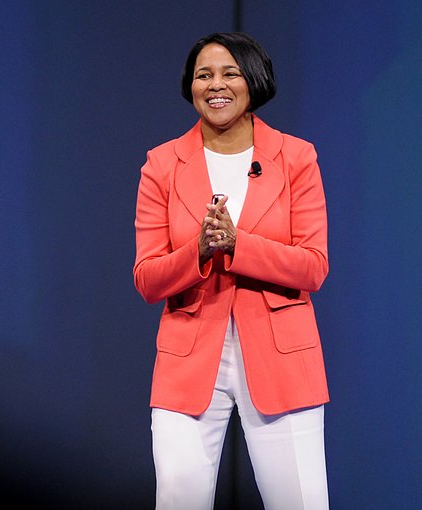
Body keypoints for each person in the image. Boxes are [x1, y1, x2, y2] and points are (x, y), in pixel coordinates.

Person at [133, 32, 330, 510]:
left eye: (229, 73)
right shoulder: (162, 164)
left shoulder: (296, 157)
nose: (215, 85)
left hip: (283, 357)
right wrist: (198, 251)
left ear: (253, 81)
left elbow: (313, 267)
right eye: (204, 75)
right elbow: (147, 278)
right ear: (191, 85)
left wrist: (240, 246)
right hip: (189, 359)